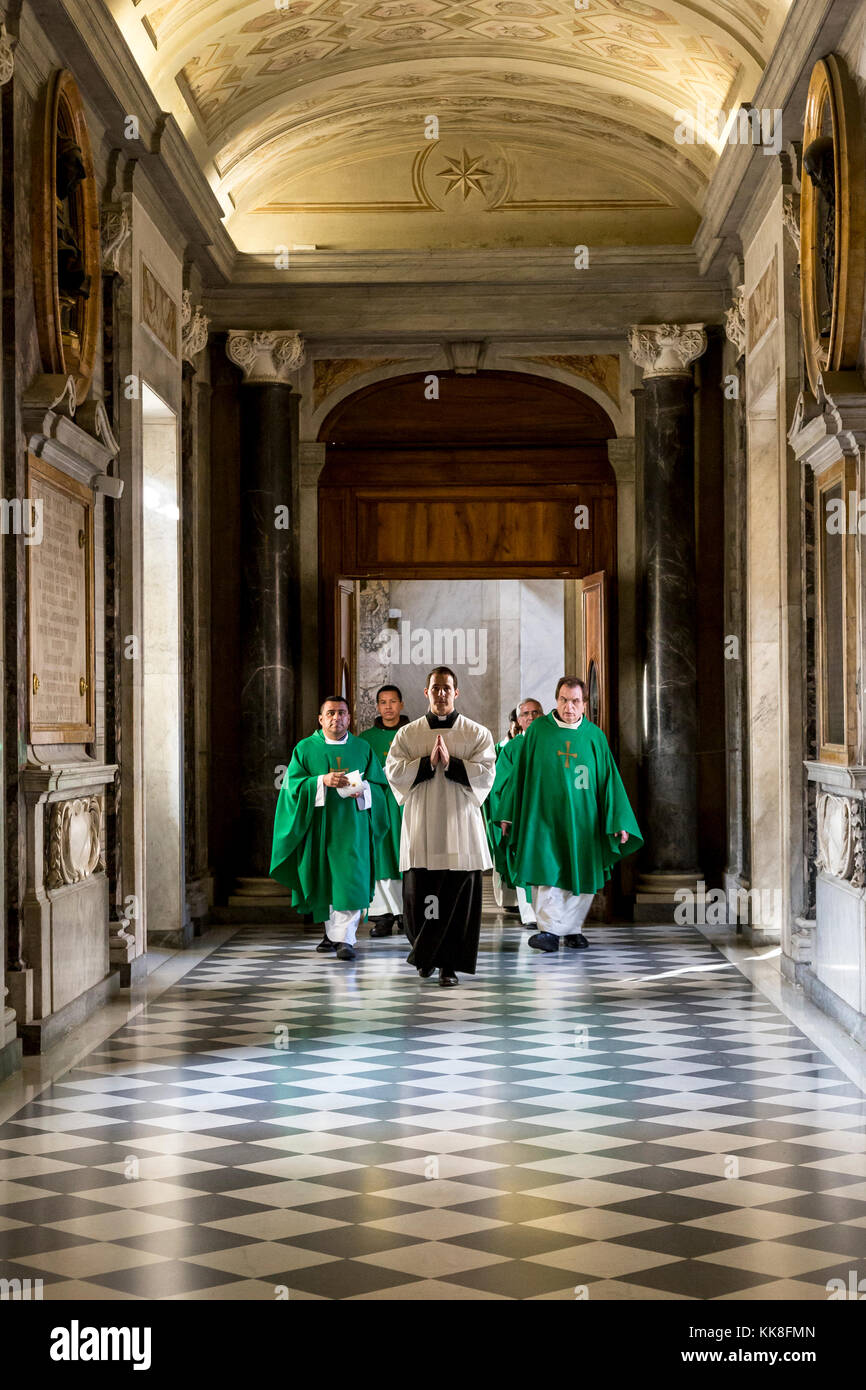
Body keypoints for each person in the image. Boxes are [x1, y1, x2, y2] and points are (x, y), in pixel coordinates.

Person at [500, 676, 642, 952]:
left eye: (575, 701)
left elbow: (609, 782)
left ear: (584, 705)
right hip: (542, 818)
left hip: (584, 821)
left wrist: (618, 821)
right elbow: (519, 775)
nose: (569, 706)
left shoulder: (594, 736)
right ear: (557, 700)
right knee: (546, 872)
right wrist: (508, 814)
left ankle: (572, 928)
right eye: (564, 700)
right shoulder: (538, 731)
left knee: (583, 875)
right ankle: (550, 931)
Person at [385, 666, 496, 987]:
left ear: (456, 692)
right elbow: (392, 771)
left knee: (459, 908)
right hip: (422, 830)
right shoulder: (408, 734)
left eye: (447, 688)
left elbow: (487, 773)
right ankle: (425, 954)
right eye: (436, 688)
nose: (442, 693)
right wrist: (425, 763)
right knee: (419, 901)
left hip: (461, 833)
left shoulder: (477, 734)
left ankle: (448, 966)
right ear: (427, 693)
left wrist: (453, 764)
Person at [270, 696, 388, 961]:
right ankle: (333, 934)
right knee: (324, 880)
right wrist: (321, 781)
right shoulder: (305, 749)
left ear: (349, 718)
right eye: (331, 713)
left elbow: (380, 789)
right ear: (321, 719)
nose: (337, 718)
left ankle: (345, 940)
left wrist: (364, 790)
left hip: (352, 828)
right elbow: (291, 788)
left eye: (343, 713)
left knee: (350, 881)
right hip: (319, 828)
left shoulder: (362, 747)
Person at [359, 684, 409, 938]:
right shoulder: (365, 740)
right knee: (381, 858)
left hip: (408, 806)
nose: (388, 707)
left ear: (401, 704)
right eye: (382, 702)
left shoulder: (414, 733)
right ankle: (382, 916)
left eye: (392, 701)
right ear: (377, 706)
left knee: (407, 856)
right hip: (378, 805)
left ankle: (408, 914)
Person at [488, 697, 543, 924]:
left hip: (545, 815)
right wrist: (505, 816)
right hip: (520, 816)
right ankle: (529, 914)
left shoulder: (551, 742)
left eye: (535, 713)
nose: (530, 717)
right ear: (518, 720)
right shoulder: (512, 748)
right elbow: (500, 785)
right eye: (525, 714)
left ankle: (548, 915)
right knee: (523, 860)